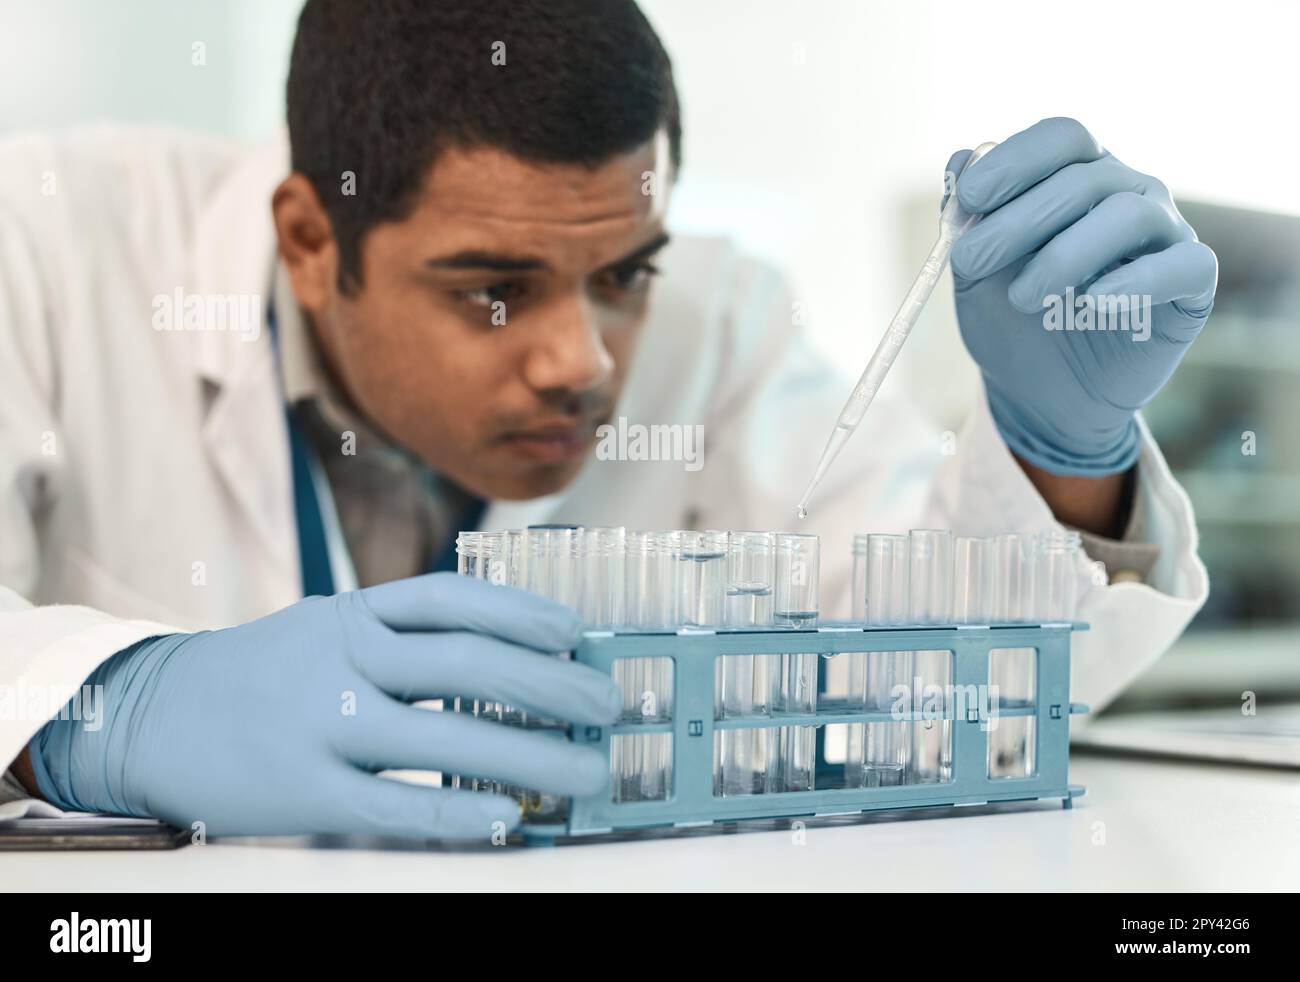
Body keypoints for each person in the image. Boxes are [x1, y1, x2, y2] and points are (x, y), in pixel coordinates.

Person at [0, 0, 1215, 840]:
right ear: (313, 241)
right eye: (493, 290)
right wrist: (100, 709)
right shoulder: (50, 246)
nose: (581, 362)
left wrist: (1060, 456)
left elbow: (931, 677)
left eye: (624, 275)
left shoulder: (724, 316)